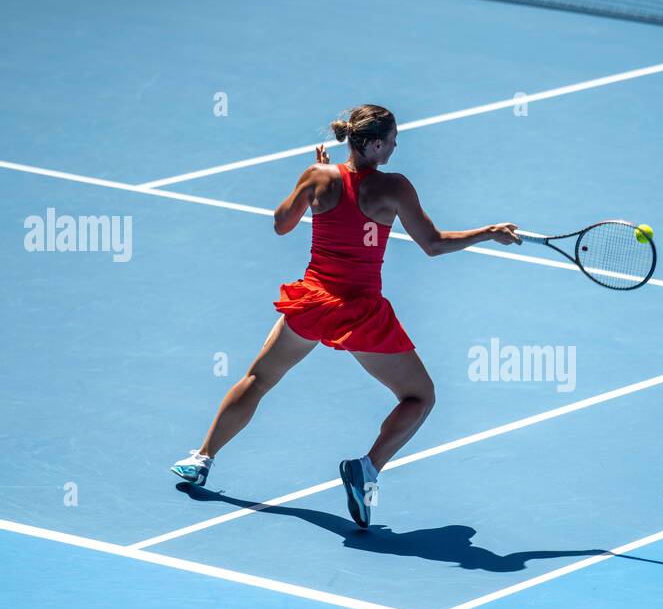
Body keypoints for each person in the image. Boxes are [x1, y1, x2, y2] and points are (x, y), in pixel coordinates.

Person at [171, 104, 520, 527]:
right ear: (374, 143)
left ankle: (201, 458)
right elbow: (433, 243)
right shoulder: (394, 188)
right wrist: (489, 232)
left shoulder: (318, 177)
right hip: (359, 315)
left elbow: (282, 225)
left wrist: (311, 181)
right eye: (391, 139)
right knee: (420, 397)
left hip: (313, 304)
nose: (395, 145)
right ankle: (367, 469)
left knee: (257, 380)